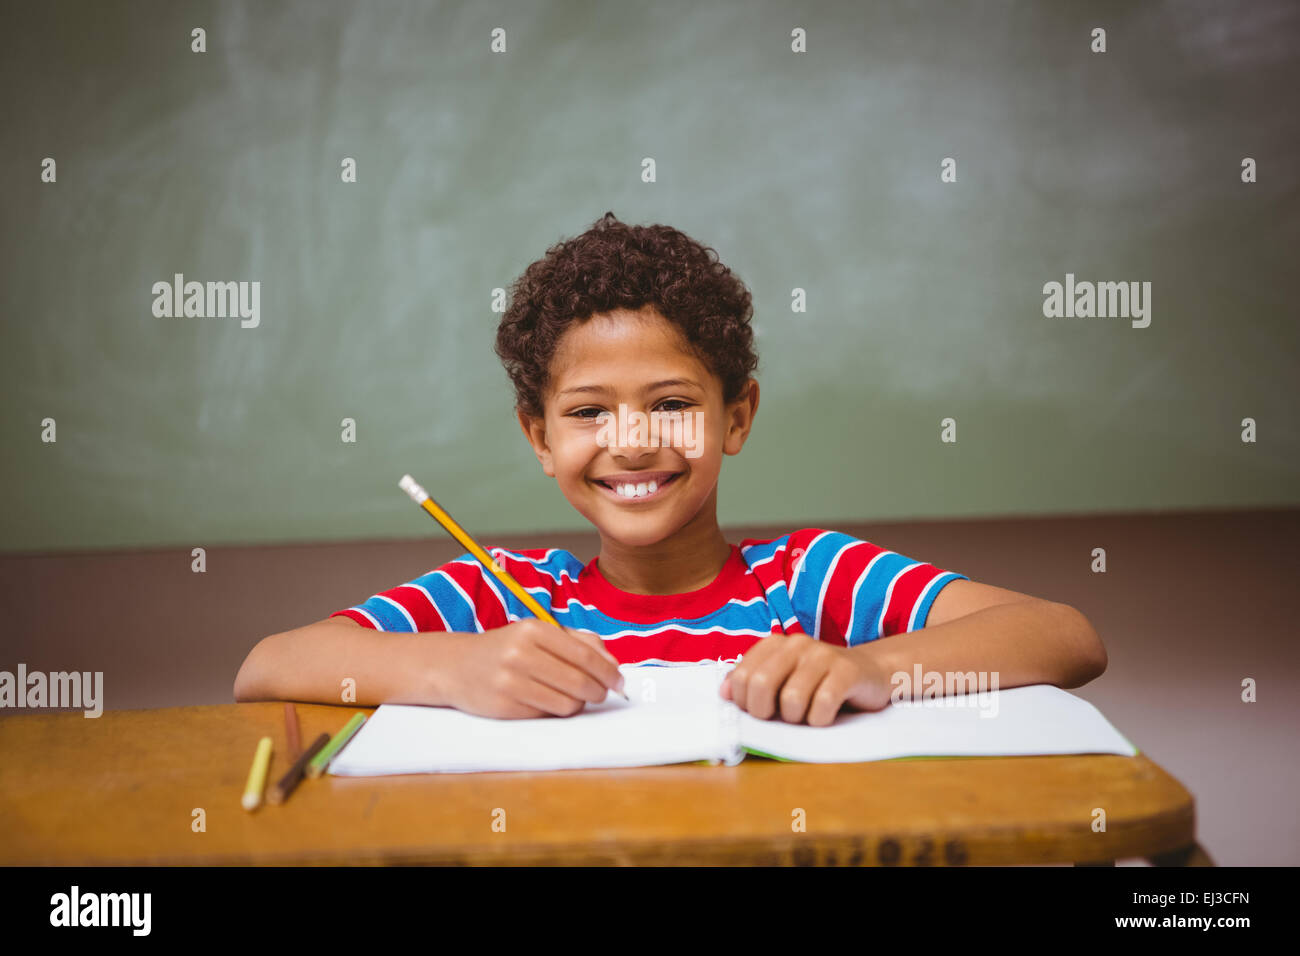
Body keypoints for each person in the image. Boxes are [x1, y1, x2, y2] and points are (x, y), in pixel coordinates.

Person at [234, 212, 1106, 725]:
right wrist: (454, 669)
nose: (634, 440)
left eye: (671, 403)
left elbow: (1066, 636)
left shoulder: (811, 578)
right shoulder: (502, 594)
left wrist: (872, 669)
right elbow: (269, 665)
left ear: (737, 418)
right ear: (539, 439)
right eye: (585, 413)